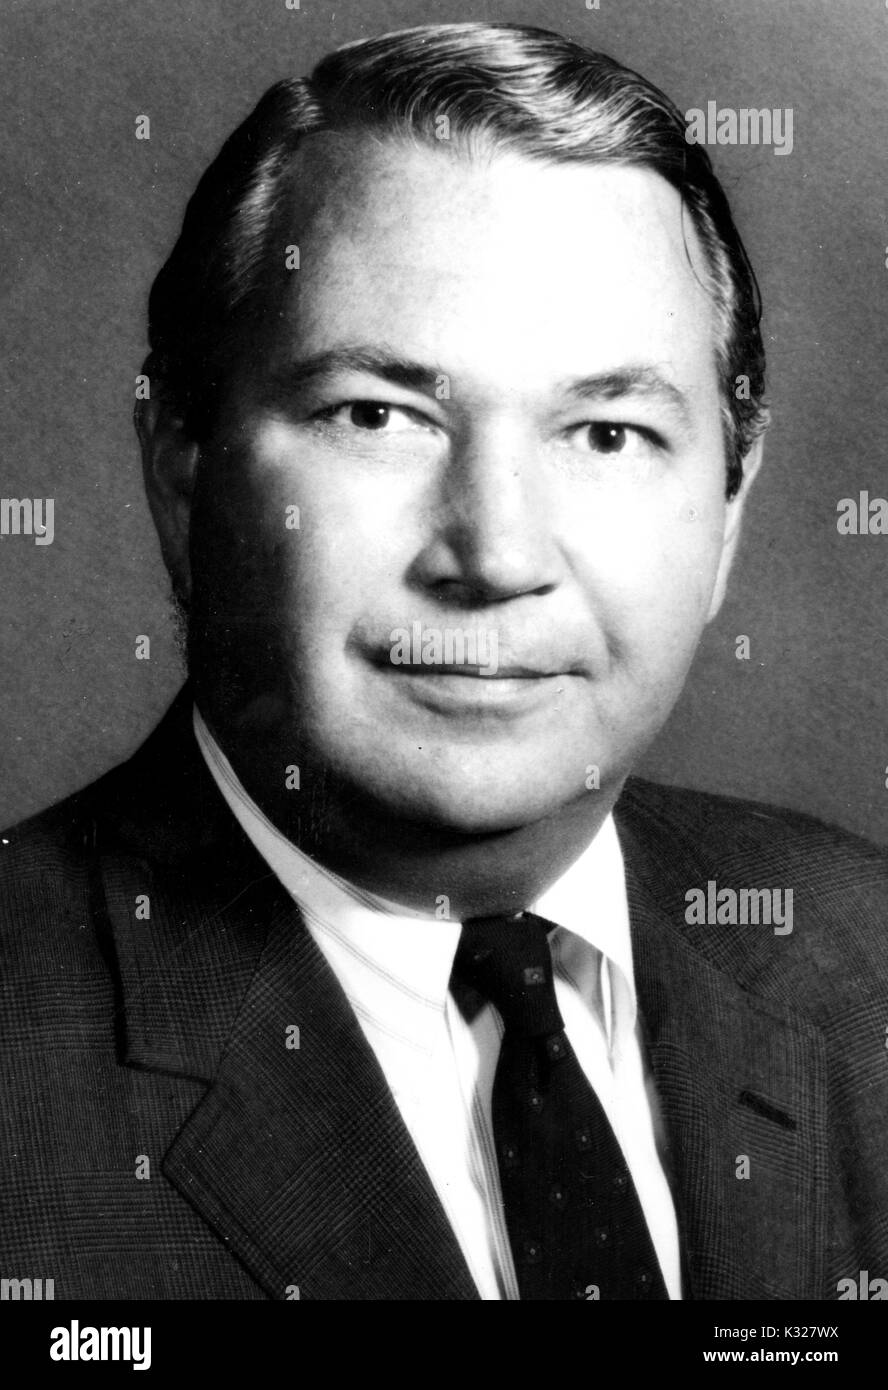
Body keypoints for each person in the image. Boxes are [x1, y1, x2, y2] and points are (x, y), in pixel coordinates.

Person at [2, 21, 886, 1302]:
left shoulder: (862, 959)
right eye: (378, 415)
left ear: (730, 510)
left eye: (610, 431)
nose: (499, 548)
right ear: (180, 466)